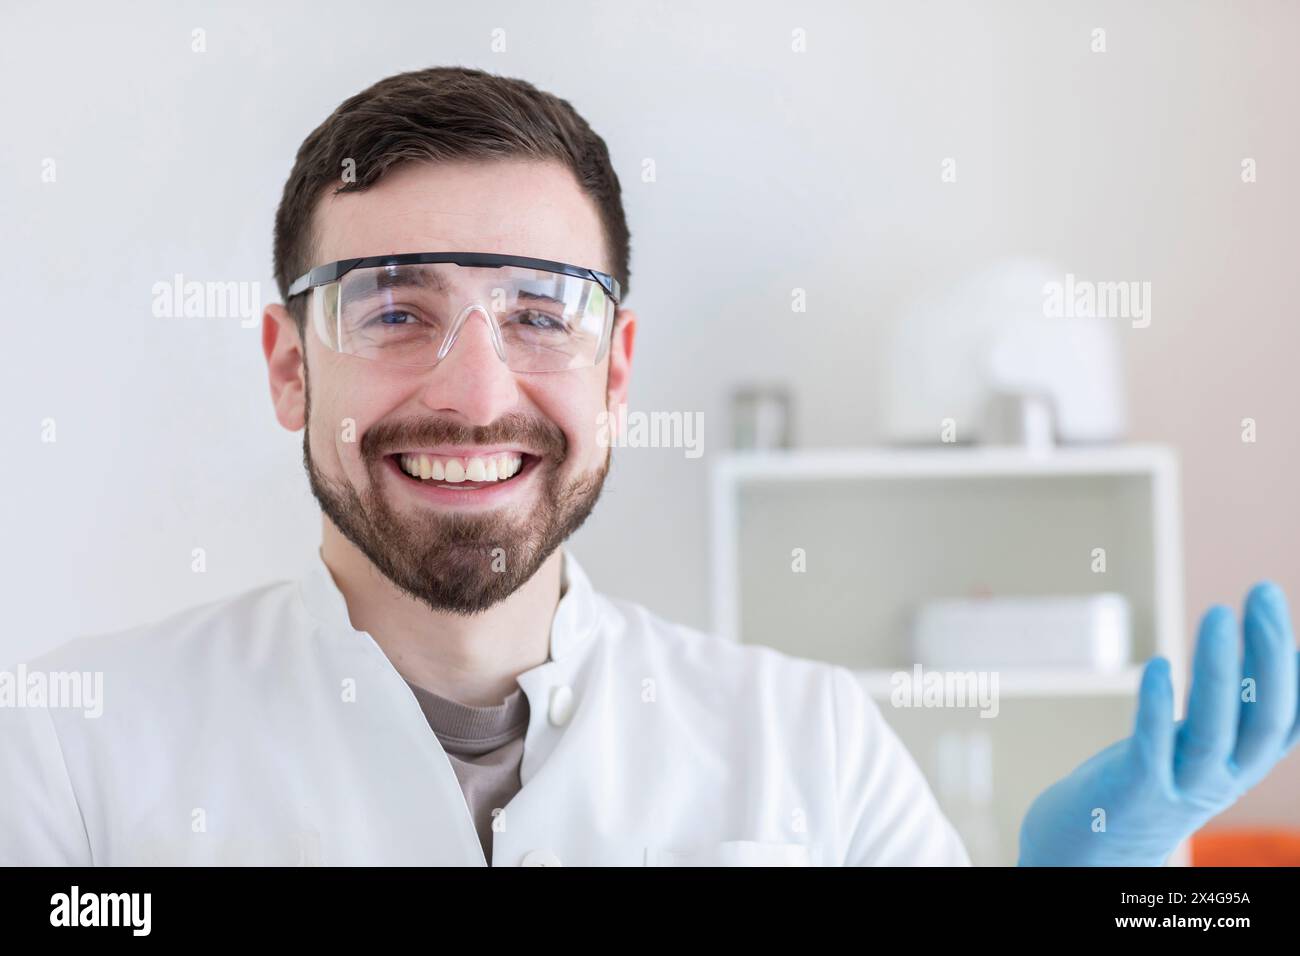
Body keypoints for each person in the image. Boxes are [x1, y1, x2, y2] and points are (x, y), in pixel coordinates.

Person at [1, 67, 1295, 867]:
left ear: (616, 371)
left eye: (539, 313)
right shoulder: (67, 755)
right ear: (290, 365)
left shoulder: (814, 748)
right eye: (393, 308)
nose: (472, 389)